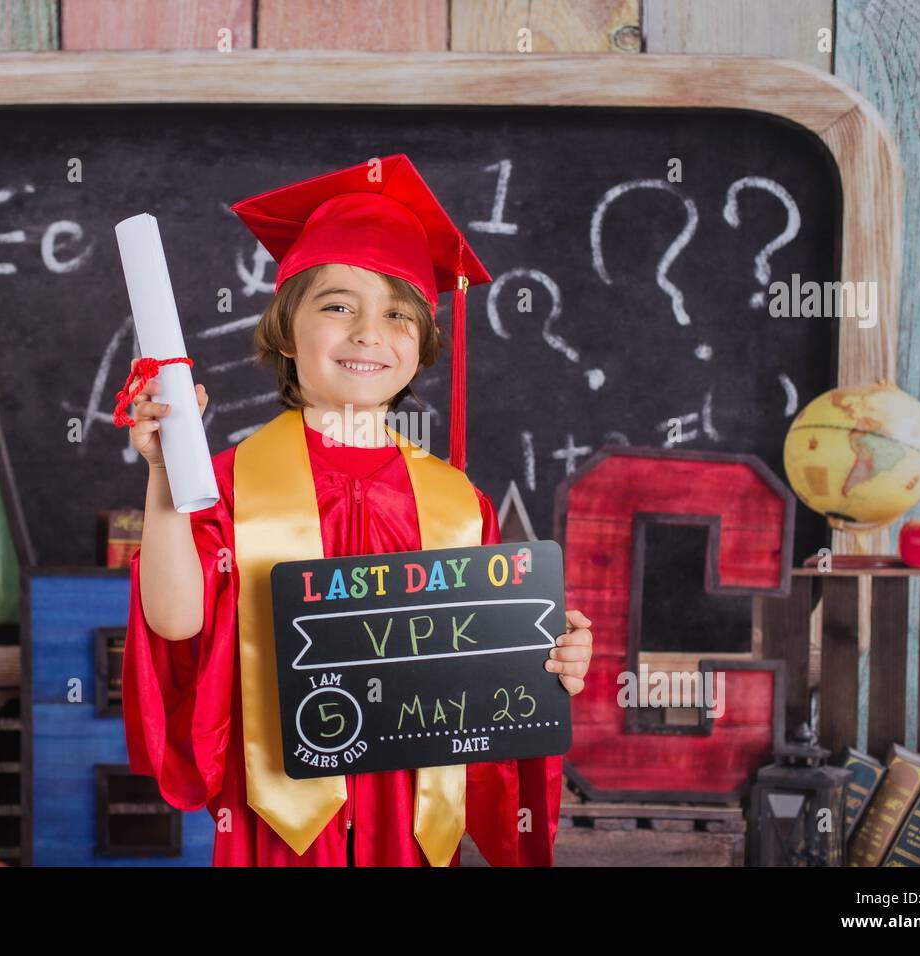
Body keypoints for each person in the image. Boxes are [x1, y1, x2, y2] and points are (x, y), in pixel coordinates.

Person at [122, 154, 593, 866]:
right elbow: (176, 620)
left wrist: (551, 659)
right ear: (285, 329)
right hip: (279, 821)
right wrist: (164, 475)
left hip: (408, 818)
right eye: (338, 305)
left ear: (424, 345)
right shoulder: (228, 482)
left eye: (399, 313)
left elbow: (491, 675)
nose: (370, 332)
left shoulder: (459, 505)